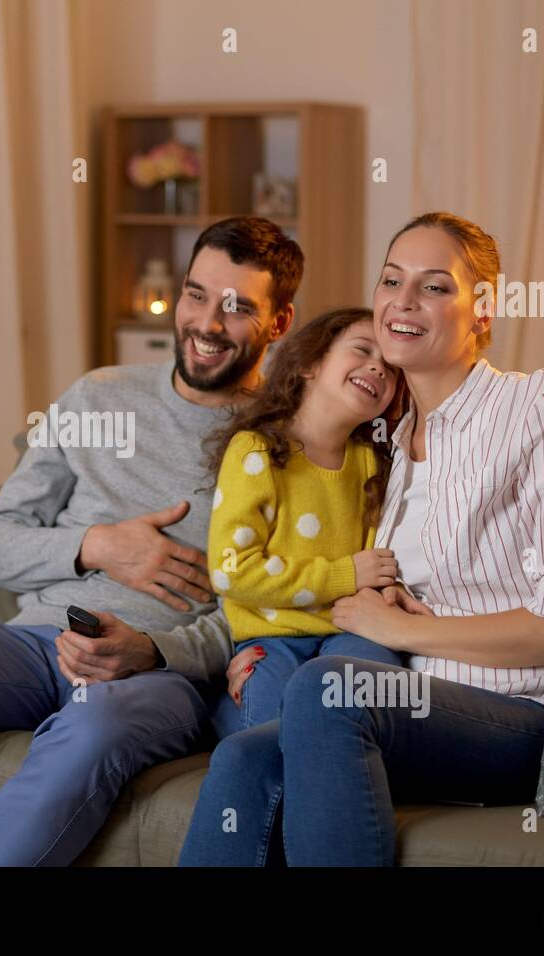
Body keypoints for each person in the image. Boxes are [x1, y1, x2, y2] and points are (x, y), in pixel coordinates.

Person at [171, 211, 544, 866]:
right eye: (392, 280)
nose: (404, 301)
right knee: (247, 751)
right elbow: (318, 576)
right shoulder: (391, 447)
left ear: (484, 313)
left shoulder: (536, 407)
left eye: (436, 286)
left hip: (521, 717)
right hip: (407, 709)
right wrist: (256, 650)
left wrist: (400, 632)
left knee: (330, 693)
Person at [0, 217, 301, 865]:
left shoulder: (282, 445)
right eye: (196, 294)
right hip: (36, 645)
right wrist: (96, 545)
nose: (205, 323)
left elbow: (266, 612)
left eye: (236, 308)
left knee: (98, 722)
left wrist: (151, 648)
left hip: (154, 681)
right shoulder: (97, 397)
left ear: (278, 323)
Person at [196, 306, 405, 745]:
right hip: (274, 641)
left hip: (351, 632)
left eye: (390, 367)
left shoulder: (372, 463)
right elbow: (232, 570)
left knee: (366, 701)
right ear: (310, 363)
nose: (377, 368)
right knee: (271, 735)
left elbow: (378, 564)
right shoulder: (255, 451)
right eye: (363, 350)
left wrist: (384, 592)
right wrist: (345, 574)